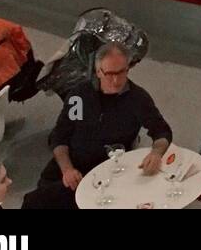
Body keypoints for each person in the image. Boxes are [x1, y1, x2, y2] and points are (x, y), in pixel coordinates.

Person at [22, 42, 172, 209]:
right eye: (110, 74)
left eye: (122, 72)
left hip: (108, 172)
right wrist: (67, 169)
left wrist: (156, 153)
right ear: (98, 71)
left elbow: (161, 132)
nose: (116, 81)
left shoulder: (138, 100)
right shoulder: (80, 96)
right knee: (34, 203)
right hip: (73, 167)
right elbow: (60, 136)